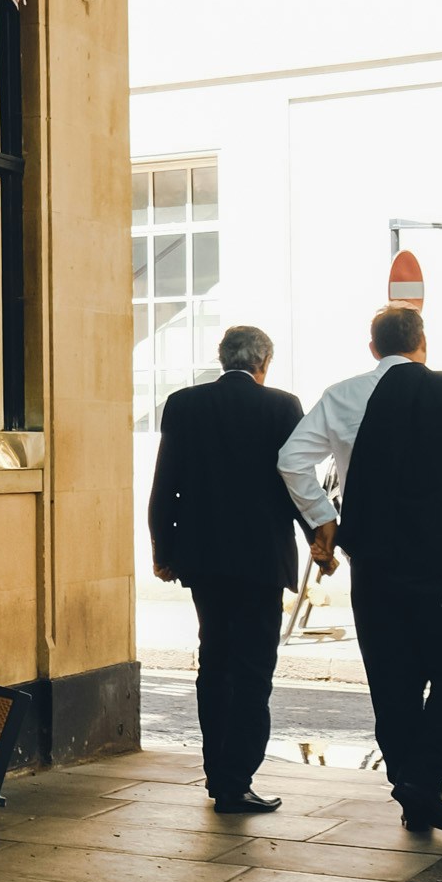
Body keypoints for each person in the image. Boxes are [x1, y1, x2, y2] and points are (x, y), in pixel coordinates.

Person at [278, 303, 442, 835]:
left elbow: (292, 458)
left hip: (376, 564)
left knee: (393, 683)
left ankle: (414, 794)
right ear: (423, 343)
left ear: (373, 348)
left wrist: (325, 520)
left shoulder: (343, 394)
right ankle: (425, 779)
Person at [149, 323, 305, 814]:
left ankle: (218, 774)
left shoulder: (184, 404)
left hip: (204, 560)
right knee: (254, 670)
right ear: (264, 363)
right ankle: (237, 779)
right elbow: (294, 481)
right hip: (261, 562)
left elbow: (165, 484)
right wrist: (322, 535)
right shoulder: (283, 406)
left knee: (214, 660)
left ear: (223, 359)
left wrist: (163, 549)